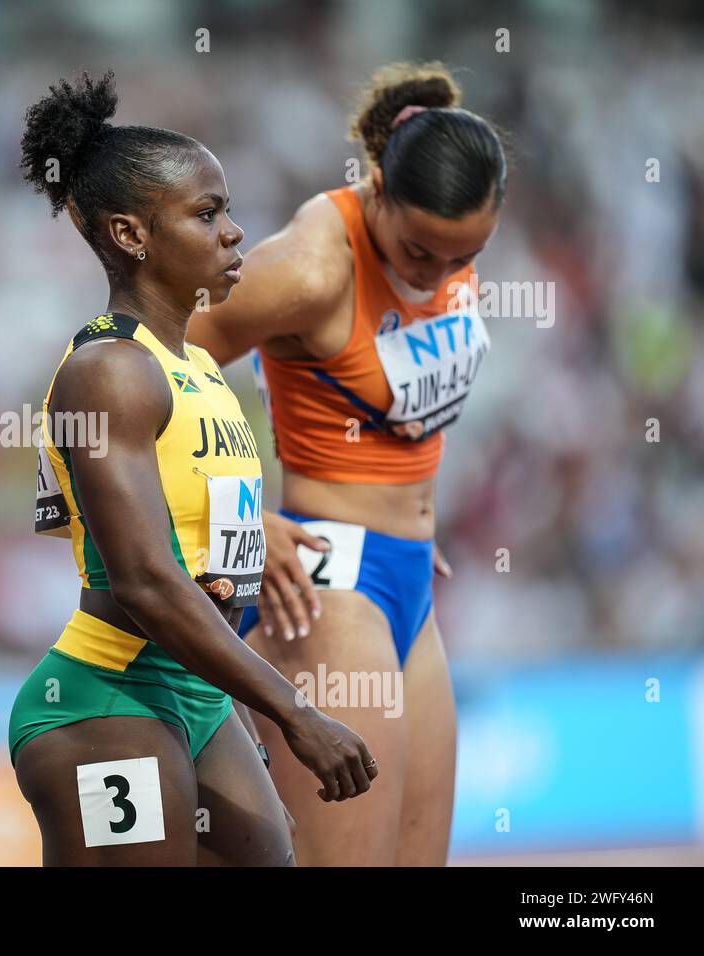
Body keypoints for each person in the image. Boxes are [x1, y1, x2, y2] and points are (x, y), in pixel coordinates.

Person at [8, 72, 377, 866]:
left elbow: (200, 547)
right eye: (207, 214)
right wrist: (294, 712)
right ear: (131, 234)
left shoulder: (201, 368)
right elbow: (142, 580)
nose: (235, 232)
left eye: (229, 210)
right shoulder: (110, 371)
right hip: (108, 696)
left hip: (201, 698)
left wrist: (242, 711)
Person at [187, 61, 505, 865]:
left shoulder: (447, 231)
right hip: (328, 595)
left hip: (408, 586)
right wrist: (240, 516)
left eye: (461, 257)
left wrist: (400, 507)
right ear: (375, 191)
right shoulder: (310, 265)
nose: (438, 274)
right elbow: (154, 357)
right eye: (420, 251)